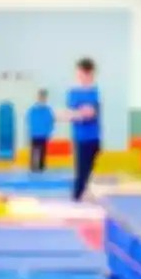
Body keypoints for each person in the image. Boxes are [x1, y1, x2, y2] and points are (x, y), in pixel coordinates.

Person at [64, 57, 101, 202]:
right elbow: (71, 114)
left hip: (94, 136)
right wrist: (80, 113)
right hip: (80, 137)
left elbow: (92, 113)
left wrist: (80, 113)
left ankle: (84, 193)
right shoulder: (73, 92)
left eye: (83, 73)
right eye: (79, 73)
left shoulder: (95, 92)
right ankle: (76, 198)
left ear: (90, 74)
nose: (80, 76)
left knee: (88, 170)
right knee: (80, 171)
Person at [26, 89, 55, 173]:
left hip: (43, 134)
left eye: (44, 97)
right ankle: (34, 166)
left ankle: (41, 166)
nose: (42, 99)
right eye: (41, 97)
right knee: (35, 150)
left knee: (43, 150)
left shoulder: (47, 110)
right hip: (35, 134)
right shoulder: (33, 109)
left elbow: (50, 121)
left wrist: (50, 131)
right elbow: (29, 120)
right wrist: (31, 130)